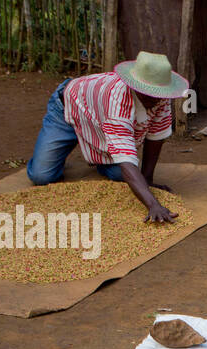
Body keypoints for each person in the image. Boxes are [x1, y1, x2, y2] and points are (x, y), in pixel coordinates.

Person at [26, 51, 189, 223]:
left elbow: (156, 137)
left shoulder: (161, 98)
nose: (154, 99)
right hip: (67, 107)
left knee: (125, 177)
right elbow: (126, 159)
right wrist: (153, 204)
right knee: (41, 176)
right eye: (147, 93)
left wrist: (148, 180)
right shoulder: (117, 99)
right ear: (135, 85)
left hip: (100, 124)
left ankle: (102, 158)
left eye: (157, 94)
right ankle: (72, 150)